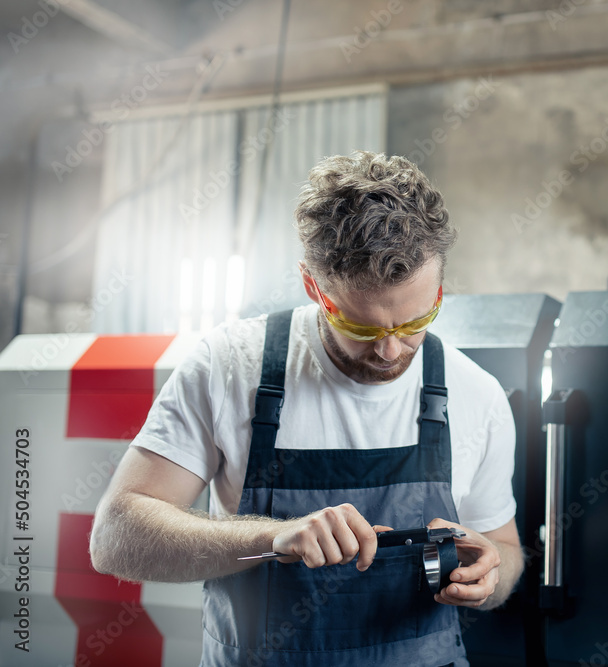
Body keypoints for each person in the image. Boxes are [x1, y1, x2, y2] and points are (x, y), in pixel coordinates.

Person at [89, 151, 523, 667]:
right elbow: (116, 538)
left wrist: (489, 577)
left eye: (415, 322)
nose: (390, 352)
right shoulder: (232, 366)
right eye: (363, 328)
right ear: (313, 286)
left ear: (440, 285)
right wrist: (273, 537)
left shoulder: (477, 393)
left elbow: (507, 550)